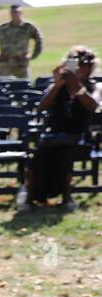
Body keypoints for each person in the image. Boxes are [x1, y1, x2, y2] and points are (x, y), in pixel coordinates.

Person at [25, 46, 99, 211]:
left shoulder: (94, 87)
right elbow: (42, 106)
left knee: (64, 155)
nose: (79, 68)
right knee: (39, 156)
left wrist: (77, 86)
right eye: (75, 64)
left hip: (80, 138)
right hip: (55, 137)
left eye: (83, 65)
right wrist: (58, 85)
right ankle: (31, 198)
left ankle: (66, 197)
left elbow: (92, 105)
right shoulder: (58, 86)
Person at [0, 4, 43, 79]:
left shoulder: (28, 27)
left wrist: (32, 55)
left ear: (21, 13)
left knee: (23, 86)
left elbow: (39, 40)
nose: (15, 14)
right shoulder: (2, 28)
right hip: (5, 63)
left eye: (17, 12)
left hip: (21, 63)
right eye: (13, 12)